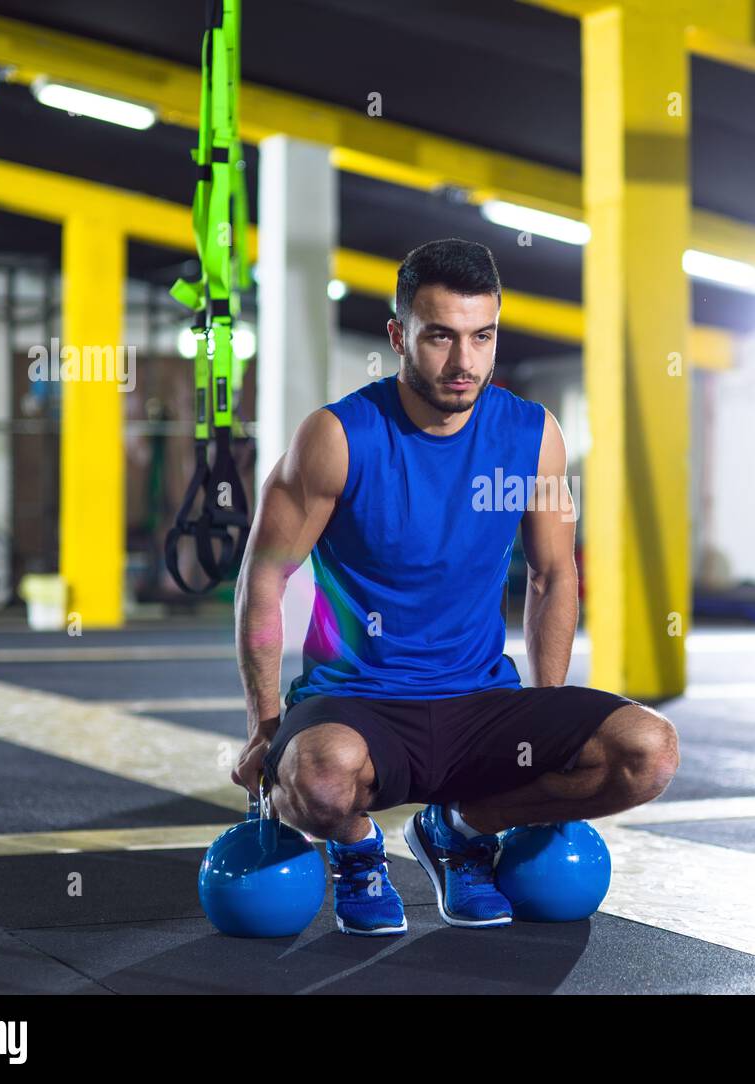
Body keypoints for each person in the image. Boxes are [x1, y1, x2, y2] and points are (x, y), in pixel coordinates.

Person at [232, 237, 678, 935]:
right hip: (359, 701)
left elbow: (554, 573)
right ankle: (357, 851)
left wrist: (545, 706)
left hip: (480, 700)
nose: (464, 361)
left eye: (483, 337)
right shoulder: (338, 437)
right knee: (316, 777)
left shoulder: (532, 434)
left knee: (648, 752)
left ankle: (462, 829)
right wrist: (262, 727)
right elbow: (264, 578)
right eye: (440, 336)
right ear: (398, 334)